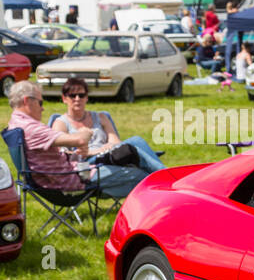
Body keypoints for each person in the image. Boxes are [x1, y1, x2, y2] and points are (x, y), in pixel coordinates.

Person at [5, 81, 153, 196]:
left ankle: (160, 189)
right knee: (141, 175)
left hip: (68, 173)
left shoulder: (17, 124)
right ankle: (166, 186)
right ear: (26, 101)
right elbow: (80, 141)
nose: (43, 108)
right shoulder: (32, 128)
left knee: (136, 153)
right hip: (71, 177)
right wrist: (85, 132)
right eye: (40, 102)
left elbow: (113, 142)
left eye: (82, 95)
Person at [49, 79, 165, 172]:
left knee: (136, 141)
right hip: (87, 164)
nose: (77, 99)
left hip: (109, 156)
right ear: (64, 98)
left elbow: (116, 141)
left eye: (81, 95)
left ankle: (163, 175)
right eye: (72, 95)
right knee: (136, 145)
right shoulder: (61, 123)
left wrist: (107, 146)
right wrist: (92, 152)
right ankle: (167, 175)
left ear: (87, 97)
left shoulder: (101, 117)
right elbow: (61, 154)